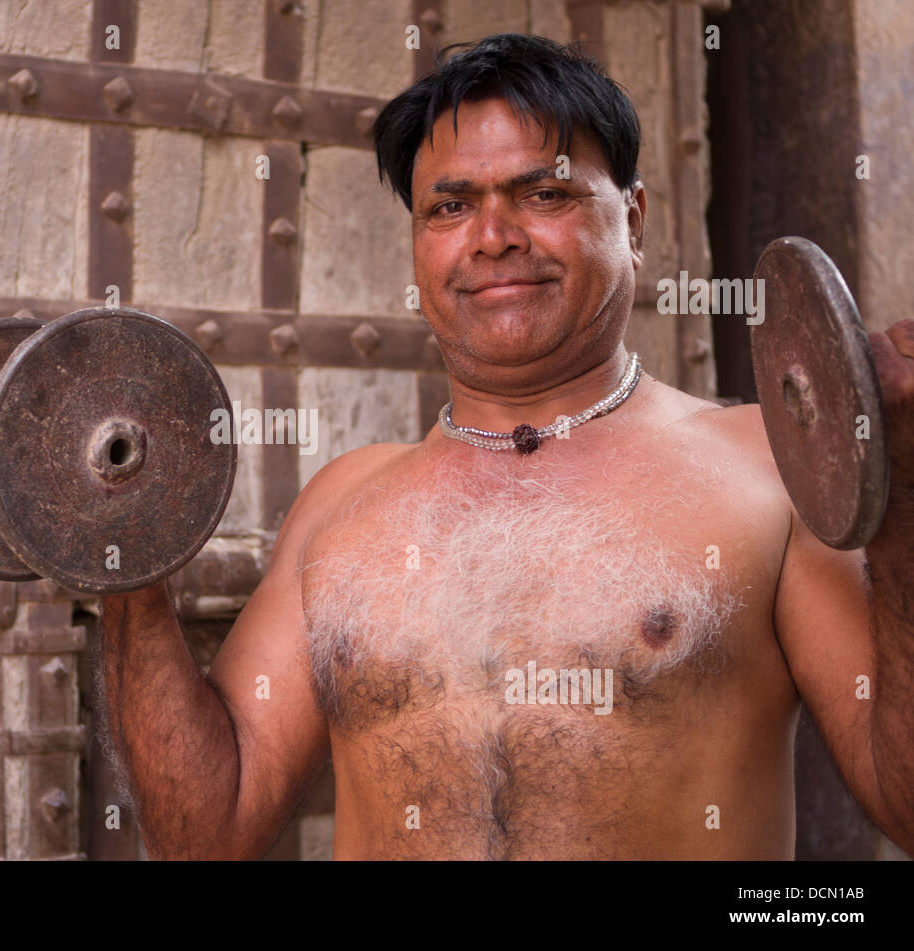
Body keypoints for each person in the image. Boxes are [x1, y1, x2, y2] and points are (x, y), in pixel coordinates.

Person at [98, 33, 914, 859]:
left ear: (632, 221)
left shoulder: (768, 474)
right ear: (418, 247)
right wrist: (122, 553)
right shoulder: (340, 506)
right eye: (450, 207)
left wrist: (905, 491)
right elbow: (204, 831)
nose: (493, 236)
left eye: (543, 194)